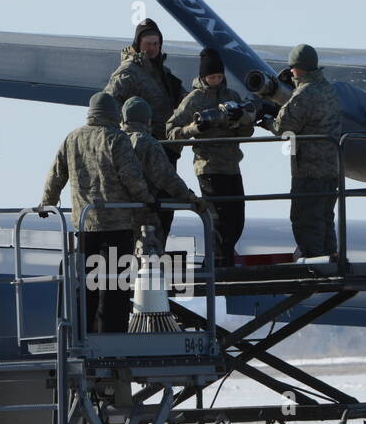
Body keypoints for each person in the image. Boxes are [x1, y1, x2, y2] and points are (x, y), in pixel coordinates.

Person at [41, 92, 154, 332]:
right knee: (114, 286)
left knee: (88, 284)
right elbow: (131, 176)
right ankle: (112, 337)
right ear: (114, 113)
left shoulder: (72, 138)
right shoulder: (116, 138)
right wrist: (146, 200)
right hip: (117, 226)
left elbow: (56, 174)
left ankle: (84, 333)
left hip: (85, 226)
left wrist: (47, 203)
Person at [166, 48, 255, 267]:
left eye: (219, 76)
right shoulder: (194, 100)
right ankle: (217, 265)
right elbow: (171, 131)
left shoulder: (231, 97)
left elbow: (248, 131)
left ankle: (222, 261)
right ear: (204, 76)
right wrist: (195, 128)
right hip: (209, 168)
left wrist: (240, 118)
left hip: (232, 166)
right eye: (212, 77)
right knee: (219, 222)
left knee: (237, 220)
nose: (216, 81)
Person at [272, 43, 343, 258]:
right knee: (323, 217)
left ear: (298, 68)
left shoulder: (304, 94)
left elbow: (282, 128)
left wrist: (267, 117)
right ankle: (330, 258)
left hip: (309, 169)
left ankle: (314, 262)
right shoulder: (327, 89)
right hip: (331, 169)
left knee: (305, 218)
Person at [120, 96, 202, 247]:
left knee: (114, 263)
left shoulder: (113, 140)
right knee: (151, 259)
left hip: (113, 215)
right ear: (148, 120)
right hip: (141, 214)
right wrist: (189, 197)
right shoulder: (147, 143)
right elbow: (166, 177)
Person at [105, 18, 186, 164]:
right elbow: (109, 105)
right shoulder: (127, 72)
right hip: (140, 148)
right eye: (148, 44)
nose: (152, 48)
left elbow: (186, 100)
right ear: (138, 43)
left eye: (156, 44)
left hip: (167, 147)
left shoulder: (164, 73)